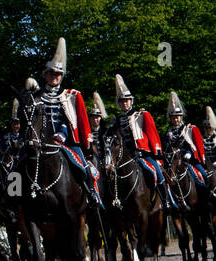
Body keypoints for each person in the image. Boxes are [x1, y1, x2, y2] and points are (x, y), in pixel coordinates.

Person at [29, 38, 101, 206]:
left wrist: (63, 133)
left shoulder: (70, 95)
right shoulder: (36, 96)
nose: (55, 77)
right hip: (40, 141)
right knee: (17, 166)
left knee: (86, 167)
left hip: (67, 142)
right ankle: (14, 199)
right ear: (45, 75)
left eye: (58, 74)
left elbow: (75, 120)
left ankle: (92, 194)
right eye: (52, 73)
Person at [109, 74, 175, 211]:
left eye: (127, 101)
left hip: (143, 154)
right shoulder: (116, 120)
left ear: (131, 101)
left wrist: (156, 153)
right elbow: (109, 137)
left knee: (157, 172)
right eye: (122, 101)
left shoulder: (142, 115)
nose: (124, 103)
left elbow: (152, 134)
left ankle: (166, 200)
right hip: (124, 157)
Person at [161, 91, 206, 195]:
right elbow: (166, 148)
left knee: (202, 174)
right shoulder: (168, 133)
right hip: (173, 162)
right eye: (173, 117)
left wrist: (189, 153)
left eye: (177, 117)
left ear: (181, 117)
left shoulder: (188, 129)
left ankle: (206, 196)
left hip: (188, 160)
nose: (175, 119)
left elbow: (194, 144)